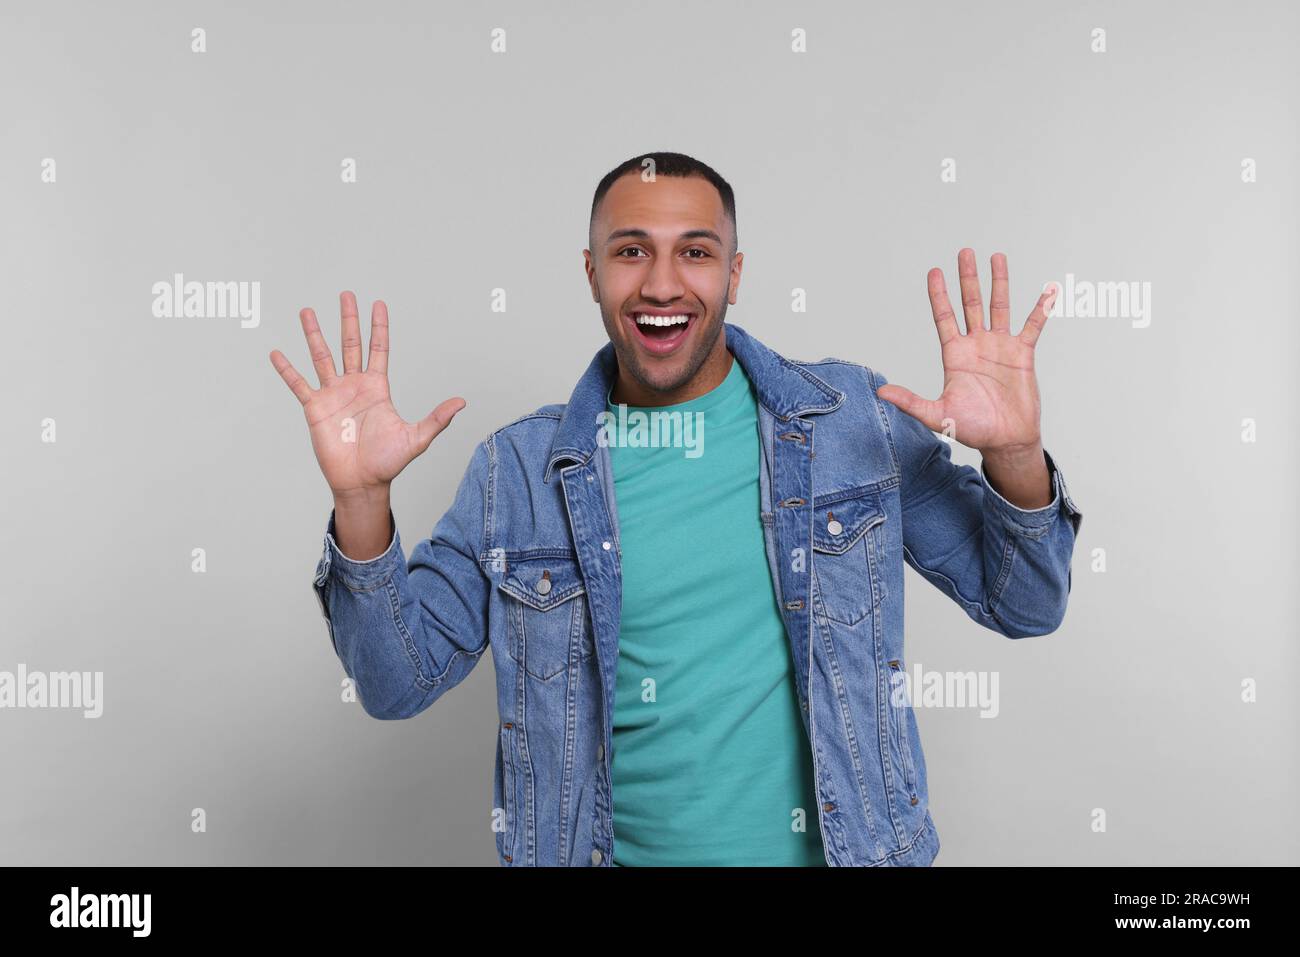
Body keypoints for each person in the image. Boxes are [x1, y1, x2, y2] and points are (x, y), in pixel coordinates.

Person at [269, 151, 1083, 867]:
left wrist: (1013, 455)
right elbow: (393, 681)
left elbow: (1028, 604)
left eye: (695, 252)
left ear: (734, 273)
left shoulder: (850, 422)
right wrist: (362, 501)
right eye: (631, 252)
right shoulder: (514, 473)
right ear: (592, 273)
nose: (662, 284)